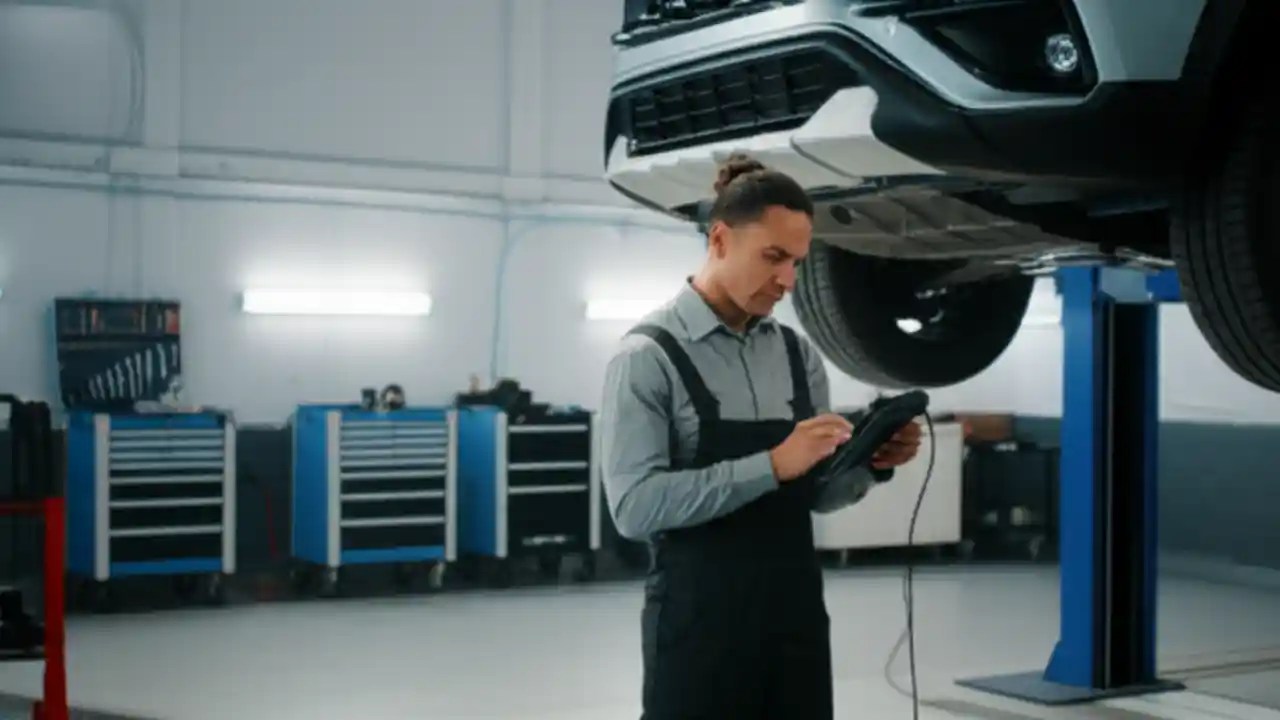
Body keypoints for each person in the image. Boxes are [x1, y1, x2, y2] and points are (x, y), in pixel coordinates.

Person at [599, 154, 923, 719]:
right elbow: (634, 507)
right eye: (773, 257)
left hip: (794, 622)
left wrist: (868, 464)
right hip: (698, 630)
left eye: (797, 262)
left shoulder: (799, 356)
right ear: (720, 240)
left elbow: (814, 492)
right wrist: (771, 464)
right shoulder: (646, 359)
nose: (787, 281)